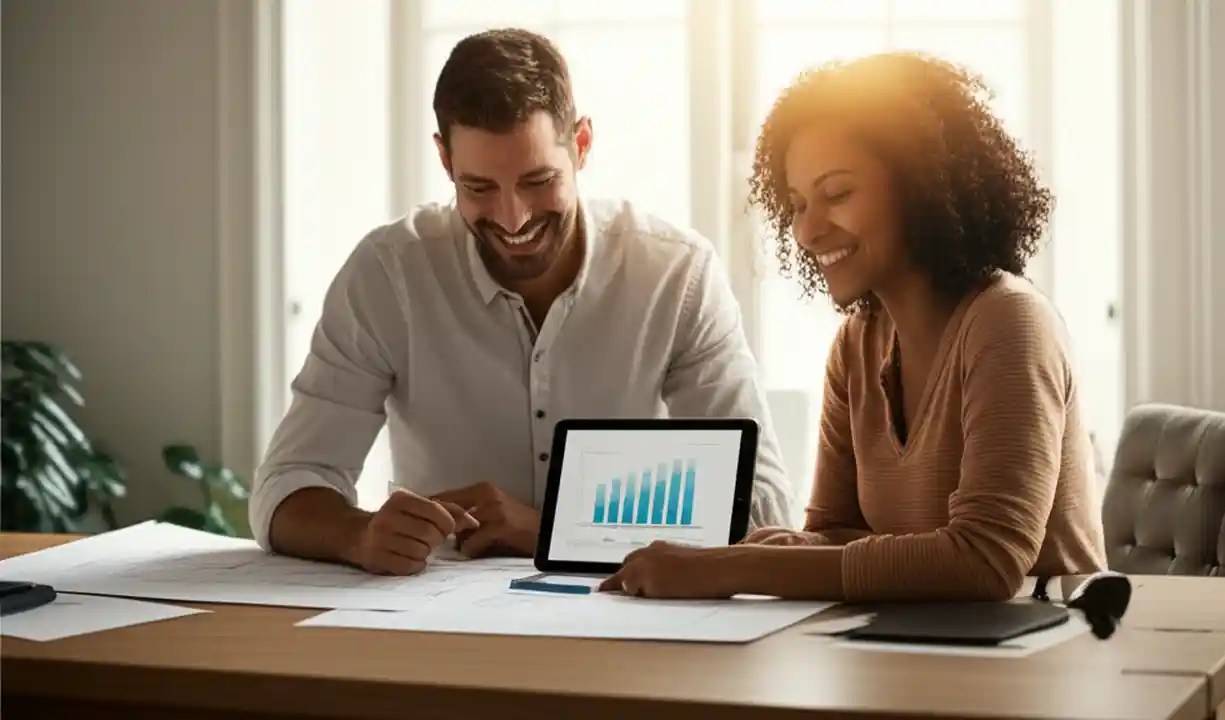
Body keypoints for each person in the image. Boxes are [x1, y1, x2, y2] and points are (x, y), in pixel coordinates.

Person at [250, 29, 794, 575]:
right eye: (479, 188)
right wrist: (357, 534)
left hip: (627, 613)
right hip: (433, 622)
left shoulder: (677, 275)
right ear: (444, 159)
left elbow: (765, 507)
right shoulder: (388, 274)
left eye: (538, 181)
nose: (514, 219)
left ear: (581, 145)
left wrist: (546, 527)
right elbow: (287, 484)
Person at [601, 52, 1107, 601]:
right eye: (796, 204)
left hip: (1046, 655)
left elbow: (987, 561)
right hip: (915, 651)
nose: (808, 230)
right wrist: (780, 547)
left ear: (921, 184)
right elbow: (835, 532)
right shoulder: (858, 344)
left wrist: (728, 569)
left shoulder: (1008, 322)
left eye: (837, 194)